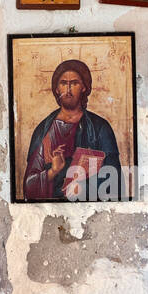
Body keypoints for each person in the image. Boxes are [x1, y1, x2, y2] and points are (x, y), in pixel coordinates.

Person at [23, 59, 123, 201]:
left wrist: (83, 188)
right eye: (63, 83)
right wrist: (53, 171)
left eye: (74, 83)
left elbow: (114, 178)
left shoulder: (100, 128)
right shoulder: (44, 130)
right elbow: (29, 188)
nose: (68, 90)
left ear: (84, 87)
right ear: (57, 89)